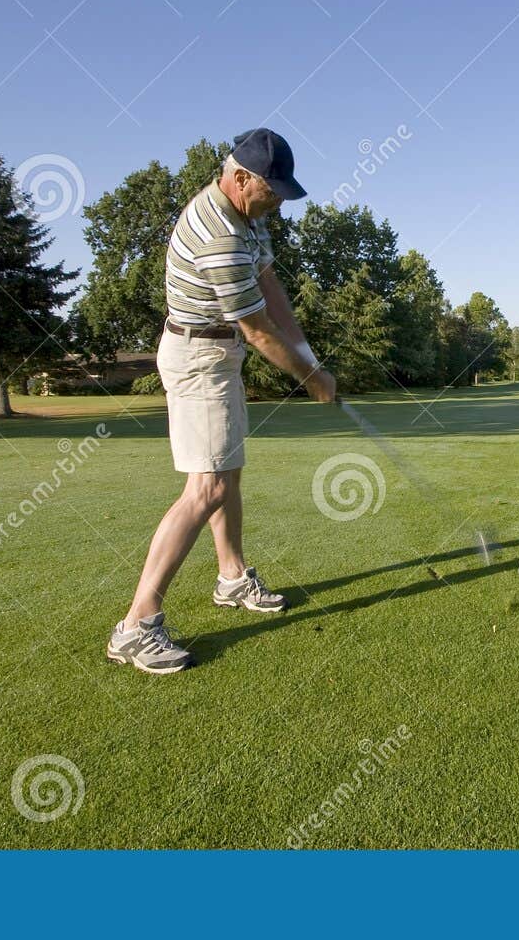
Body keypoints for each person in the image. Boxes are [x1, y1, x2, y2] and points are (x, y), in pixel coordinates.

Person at [107, 128, 336, 674]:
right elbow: (256, 328)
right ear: (239, 178)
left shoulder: (249, 220)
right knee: (206, 486)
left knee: (227, 475)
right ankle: (136, 624)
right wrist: (309, 375)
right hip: (198, 359)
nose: (279, 202)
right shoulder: (218, 234)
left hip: (219, 355)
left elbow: (270, 285)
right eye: (272, 190)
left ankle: (232, 578)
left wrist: (306, 349)